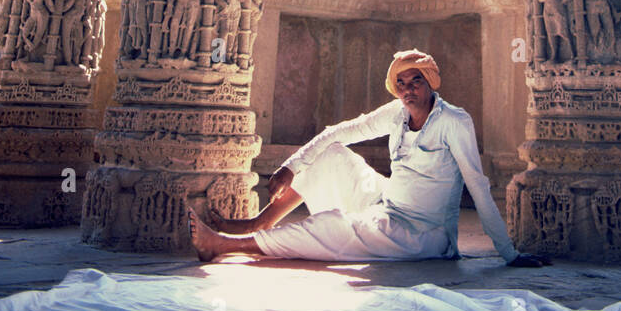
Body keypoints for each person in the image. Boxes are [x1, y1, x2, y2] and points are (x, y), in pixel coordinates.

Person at [188, 47, 548, 266]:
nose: (408, 90)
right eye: (402, 84)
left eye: (415, 81)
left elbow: (479, 185)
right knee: (331, 155)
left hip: (421, 233)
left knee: (334, 226)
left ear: (430, 82)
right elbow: (341, 131)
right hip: (383, 201)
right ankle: (258, 224)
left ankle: (227, 245)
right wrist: (291, 165)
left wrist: (508, 253)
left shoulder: (454, 122)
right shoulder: (397, 111)